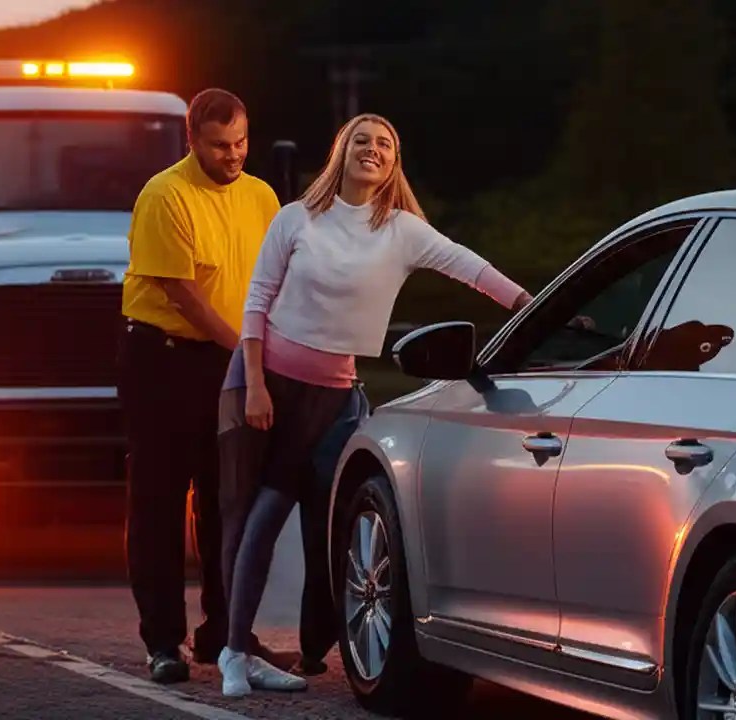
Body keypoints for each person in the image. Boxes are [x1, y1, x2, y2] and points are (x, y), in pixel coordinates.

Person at [215, 112, 534, 697]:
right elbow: (256, 303)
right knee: (258, 516)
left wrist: (531, 306)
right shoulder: (297, 219)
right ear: (342, 152)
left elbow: (469, 266)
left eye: (384, 144)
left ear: (393, 163)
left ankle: (320, 648)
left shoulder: (403, 231)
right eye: (361, 140)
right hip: (272, 385)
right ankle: (235, 652)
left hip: (337, 394)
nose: (373, 149)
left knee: (339, 522)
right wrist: (256, 385)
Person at [118, 87, 296, 685]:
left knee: (230, 500)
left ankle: (227, 636)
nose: (234, 154)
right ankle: (163, 642)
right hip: (165, 360)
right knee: (160, 501)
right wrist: (247, 352)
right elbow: (182, 294)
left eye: (241, 142)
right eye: (220, 145)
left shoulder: (263, 196)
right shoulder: (165, 194)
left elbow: (277, 279)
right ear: (191, 140)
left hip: (230, 359)